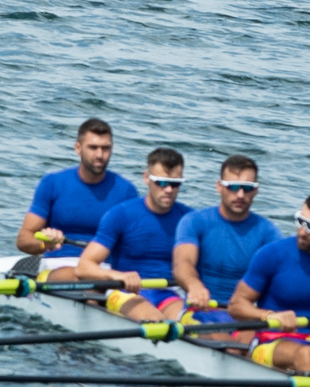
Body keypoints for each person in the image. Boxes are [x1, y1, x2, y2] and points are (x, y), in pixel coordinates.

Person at [228, 193, 310, 374]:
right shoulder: (272, 254)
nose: (302, 231)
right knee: (305, 355)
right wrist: (269, 316)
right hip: (272, 339)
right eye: (300, 221)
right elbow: (236, 306)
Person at [76, 148, 193, 322]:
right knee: (156, 321)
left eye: (174, 184)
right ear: (146, 178)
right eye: (161, 182)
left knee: (193, 322)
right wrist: (118, 276)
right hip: (124, 291)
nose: (168, 189)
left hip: (167, 294)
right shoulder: (121, 214)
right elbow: (83, 267)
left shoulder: (189, 219)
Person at [15, 119, 138, 282]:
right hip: (58, 267)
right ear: (78, 148)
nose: (100, 155)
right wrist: (46, 244)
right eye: (93, 148)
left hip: (107, 272)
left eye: (105, 148)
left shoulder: (126, 191)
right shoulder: (53, 183)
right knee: (85, 278)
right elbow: (23, 240)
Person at [172, 155, 282, 312]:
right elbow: (183, 263)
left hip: (245, 315)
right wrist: (194, 286)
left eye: (247, 188)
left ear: (256, 190)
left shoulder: (269, 232)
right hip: (201, 309)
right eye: (233, 187)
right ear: (219, 186)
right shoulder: (194, 221)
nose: (240, 195)